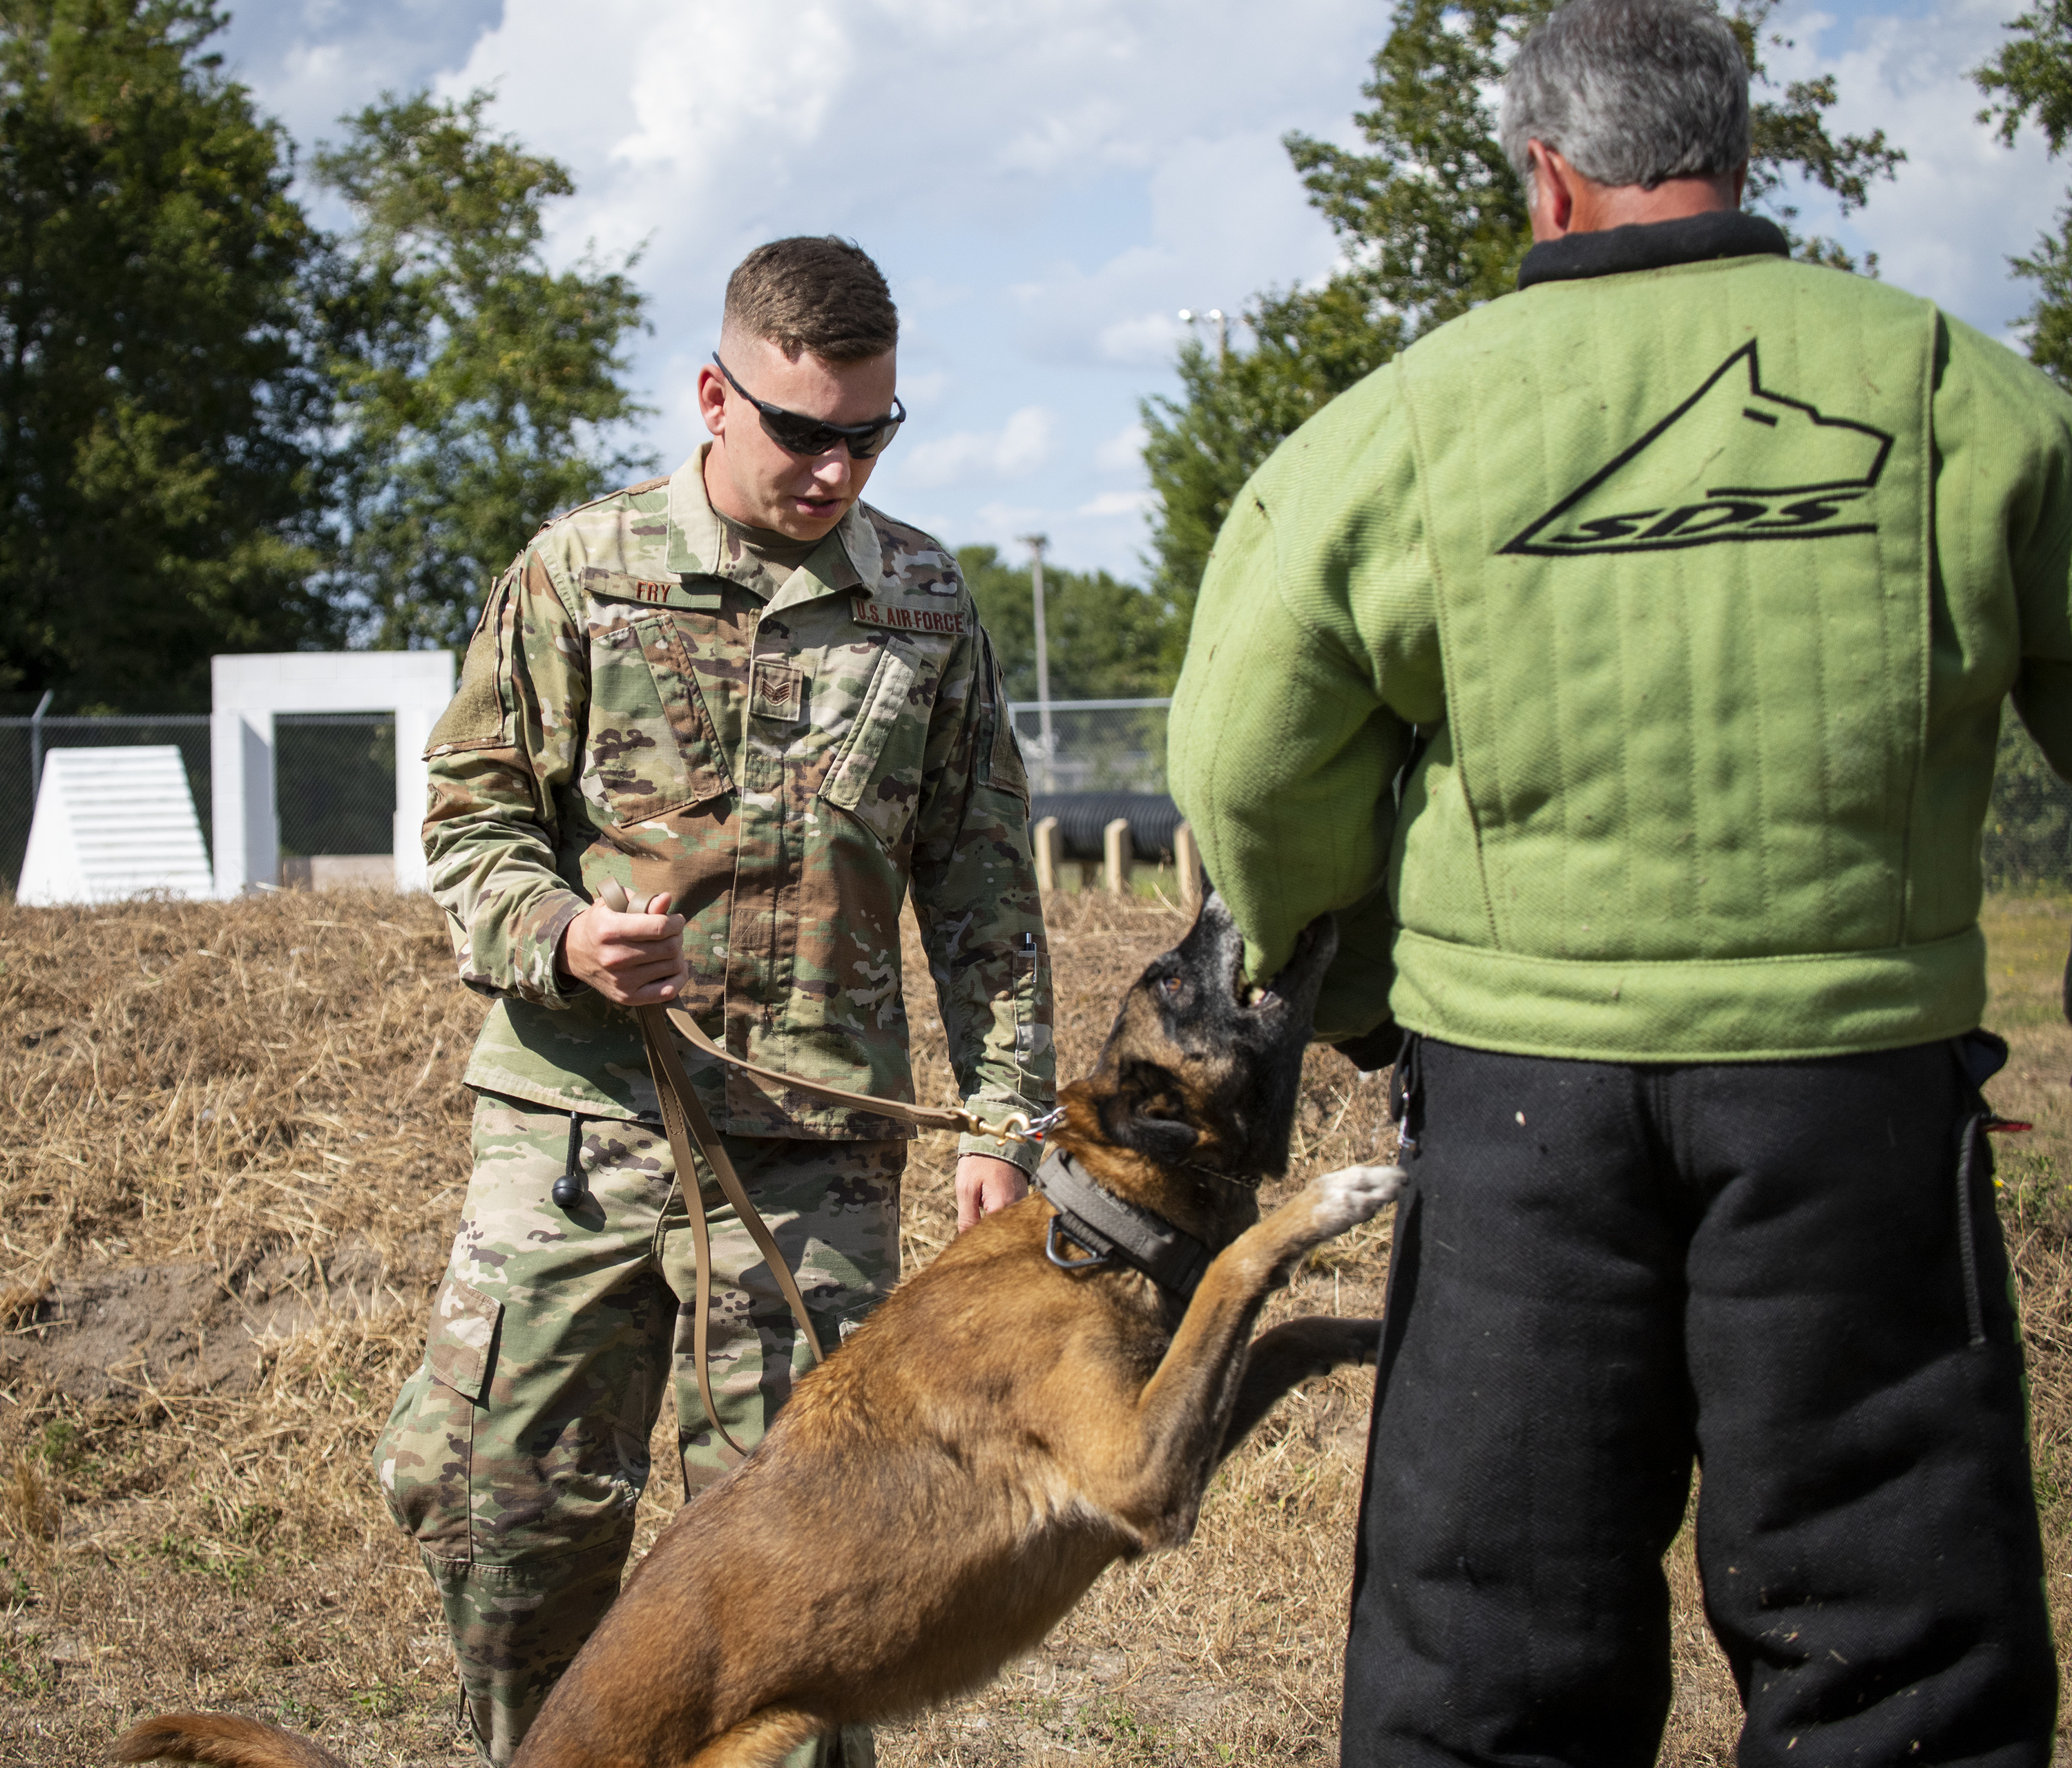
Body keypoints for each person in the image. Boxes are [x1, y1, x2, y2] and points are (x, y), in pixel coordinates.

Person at [1169, 1, 2069, 1761]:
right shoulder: (1954, 389)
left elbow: (1251, 764)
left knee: (1487, 1629)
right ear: (1736, 156)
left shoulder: (1412, 420)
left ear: (1549, 181)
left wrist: (1342, 984)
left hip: (1522, 1112)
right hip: (1860, 1099)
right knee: (1894, 1626)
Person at [375, 236, 1053, 1767]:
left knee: (810, 1572)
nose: (835, 469)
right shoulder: (576, 572)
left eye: (870, 434)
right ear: (712, 392)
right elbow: (469, 818)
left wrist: (1006, 1109)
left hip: (813, 1151)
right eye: (802, 430)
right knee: (500, 1505)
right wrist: (557, 930)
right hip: (574, 1121)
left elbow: (985, 885)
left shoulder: (927, 604)